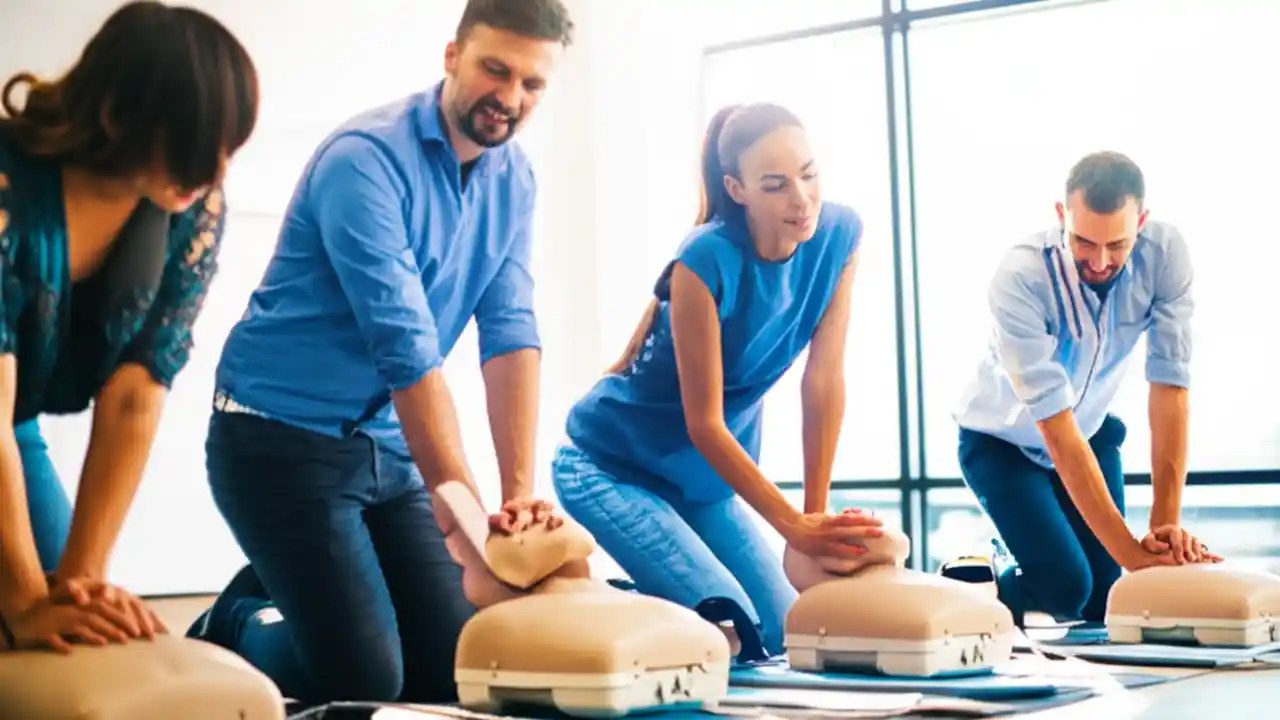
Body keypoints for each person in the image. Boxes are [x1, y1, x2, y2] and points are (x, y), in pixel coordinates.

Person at [185, 0, 574, 705]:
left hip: (386, 452)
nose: (509, 97)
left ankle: (295, 592)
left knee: (453, 670)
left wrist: (517, 496)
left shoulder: (513, 179)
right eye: (495, 68)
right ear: (452, 55)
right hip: (276, 440)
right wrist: (470, 522)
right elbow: (408, 356)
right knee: (367, 683)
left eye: (532, 83)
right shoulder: (364, 162)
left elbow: (511, 329)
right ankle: (237, 625)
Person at [551, 103, 884, 658]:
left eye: (808, 174)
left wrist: (812, 522)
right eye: (775, 185)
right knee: (735, 631)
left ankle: (659, 601)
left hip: (702, 484)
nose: (801, 199)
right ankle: (604, 617)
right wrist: (791, 526)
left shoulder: (840, 235)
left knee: (786, 634)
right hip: (609, 467)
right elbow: (702, 423)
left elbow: (823, 381)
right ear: (737, 188)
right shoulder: (703, 259)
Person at [0, 1, 257, 654]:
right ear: (120, 117)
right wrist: (24, 600)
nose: (216, 171)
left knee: (74, 627)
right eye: (202, 145)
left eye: (228, 147)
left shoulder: (189, 209)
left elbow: (136, 396)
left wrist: (78, 584)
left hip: (14, 421)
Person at [951, 151, 1221, 627]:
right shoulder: (1019, 279)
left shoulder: (1165, 256)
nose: (1099, 261)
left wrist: (1164, 530)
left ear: (1142, 221)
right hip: (1003, 445)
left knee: (1105, 600)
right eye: (1084, 241)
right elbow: (1056, 429)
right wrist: (1134, 557)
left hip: (1091, 432)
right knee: (1066, 587)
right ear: (1061, 216)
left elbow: (1169, 387)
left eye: (1117, 244)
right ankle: (979, 579)